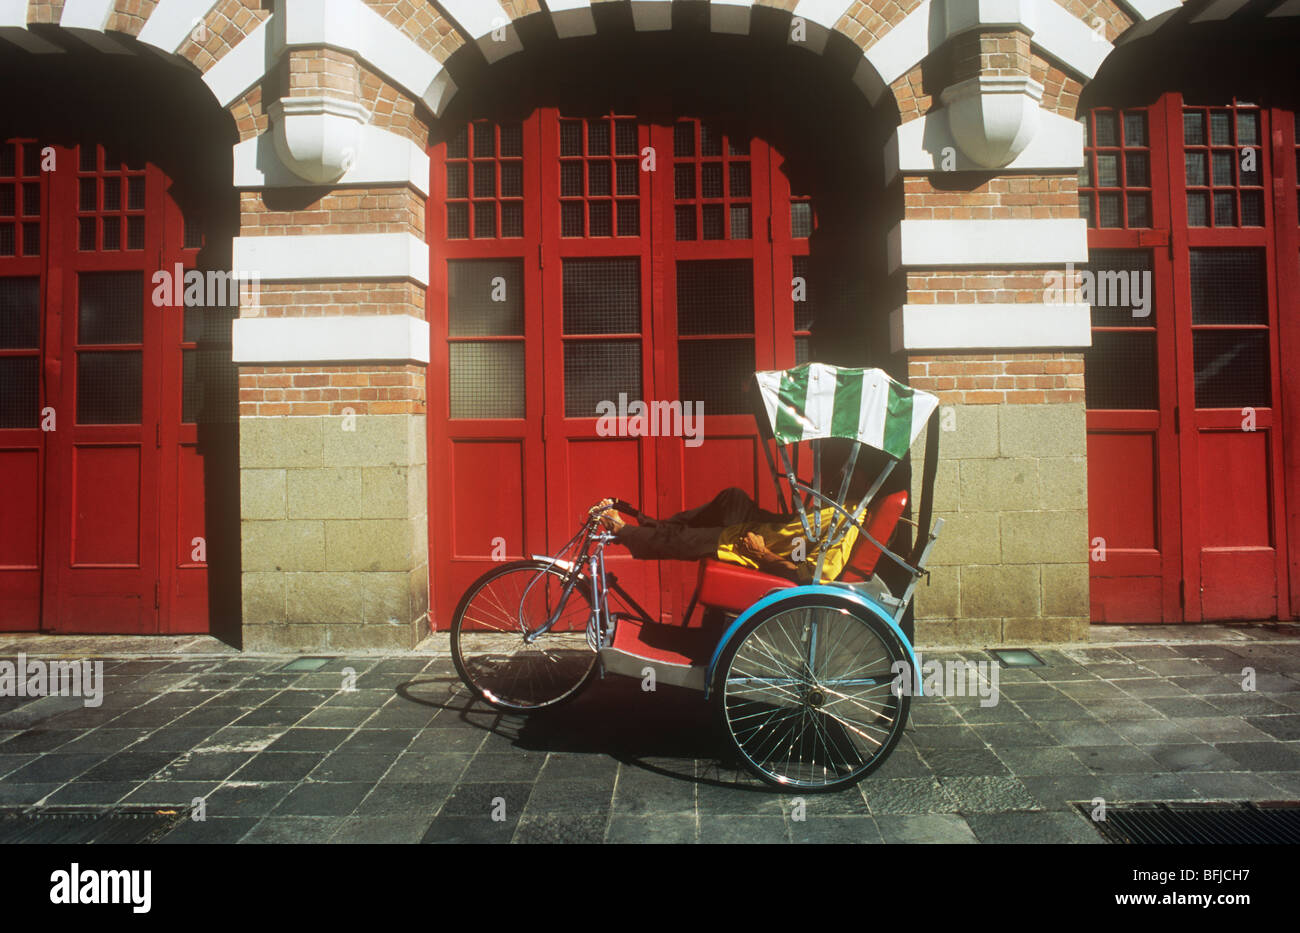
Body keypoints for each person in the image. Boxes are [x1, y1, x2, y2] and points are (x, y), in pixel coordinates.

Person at [590, 487, 860, 584]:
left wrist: (762, 554)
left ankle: (626, 532)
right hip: (773, 529)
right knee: (733, 498)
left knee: (693, 539)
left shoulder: (850, 523)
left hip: (761, 547)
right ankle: (649, 525)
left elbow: (812, 577)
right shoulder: (846, 503)